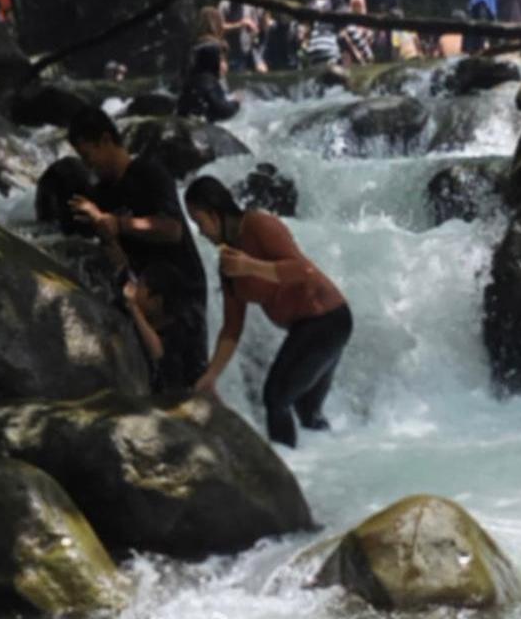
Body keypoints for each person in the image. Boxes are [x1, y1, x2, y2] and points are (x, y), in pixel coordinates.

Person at [184, 176, 352, 448]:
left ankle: (285, 475)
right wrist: (212, 375)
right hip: (306, 328)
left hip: (328, 321)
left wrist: (251, 267)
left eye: (199, 221)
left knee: (275, 397)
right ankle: (338, 467)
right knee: (307, 413)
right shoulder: (228, 263)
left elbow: (302, 270)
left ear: (215, 215)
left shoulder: (259, 224)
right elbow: (231, 328)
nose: (200, 231)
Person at [65, 108, 209, 391]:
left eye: (87, 155)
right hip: (146, 297)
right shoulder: (101, 194)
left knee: (188, 382)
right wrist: (104, 234)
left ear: (106, 140)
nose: (88, 165)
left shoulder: (150, 174)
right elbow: (113, 247)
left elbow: (173, 230)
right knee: (157, 381)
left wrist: (118, 223)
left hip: (182, 293)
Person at [124, 261, 204, 395]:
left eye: (140, 286)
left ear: (156, 302)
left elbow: (159, 352)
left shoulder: (182, 331)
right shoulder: (153, 317)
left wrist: (134, 308)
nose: (135, 289)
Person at [177, 6, 240, 122]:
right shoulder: (214, 49)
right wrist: (236, 103)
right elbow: (222, 110)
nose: (226, 65)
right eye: (223, 60)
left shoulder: (191, 48)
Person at [219, 0, 266, 73]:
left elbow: (256, 27)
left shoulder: (250, 4)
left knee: (263, 71)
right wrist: (240, 24)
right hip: (232, 52)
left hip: (250, 50)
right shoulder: (224, 4)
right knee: (238, 84)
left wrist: (254, 28)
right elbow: (219, 28)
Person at [302, 0, 341, 67]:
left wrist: (305, 42)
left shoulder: (310, 5)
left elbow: (306, 27)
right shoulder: (334, 4)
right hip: (328, 46)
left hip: (315, 46)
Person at [339, 0, 374, 65]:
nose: (357, 8)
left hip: (365, 62)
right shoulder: (347, 24)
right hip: (350, 62)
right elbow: (343, 38)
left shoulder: (367, 25)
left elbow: (370, 43)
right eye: (355, 6)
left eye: (359, 5)